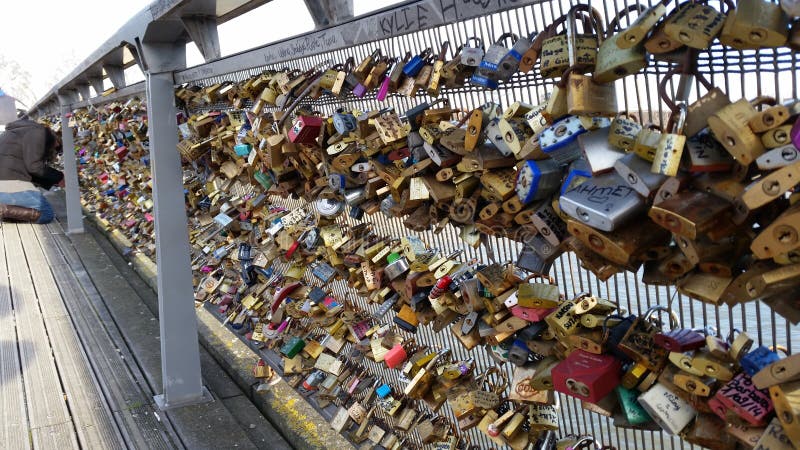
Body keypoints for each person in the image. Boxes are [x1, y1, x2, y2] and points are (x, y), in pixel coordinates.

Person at [0, 117, 64, 223]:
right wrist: (60, 177)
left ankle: (6, 210)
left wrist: (54, 181)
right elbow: (34, 167)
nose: (54, 151)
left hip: (5, 181)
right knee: (47, 214)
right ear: (55, 140)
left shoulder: (14, 132)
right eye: (56, 148)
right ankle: (2, 209)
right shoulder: (39, 132)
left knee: (30, 211)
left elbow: (26, 169)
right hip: (9, 184)